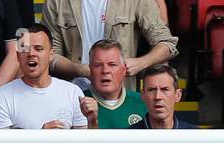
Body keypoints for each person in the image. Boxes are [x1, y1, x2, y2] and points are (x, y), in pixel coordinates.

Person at [0, 25, 88, 143]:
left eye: (39, 48)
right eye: (25, 49)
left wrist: (93, 121)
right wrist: (38, 138)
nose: (31, 53)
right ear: (18, 55)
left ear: (51, 54)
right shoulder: (2, 96)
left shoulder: (72, 92)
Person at [44, 0, 175, 89]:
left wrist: (141, 63)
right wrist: (79, 70)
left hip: (121, 94)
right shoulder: (57, 2)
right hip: (75, 94)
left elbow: (167, 43)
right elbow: (50, 54)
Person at [78, 40, 146, 127]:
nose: (105, 71)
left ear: (124, 69)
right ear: (90, 69)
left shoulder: (143, 102)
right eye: (98, 65)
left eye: (112, 64)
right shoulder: (78, 102)